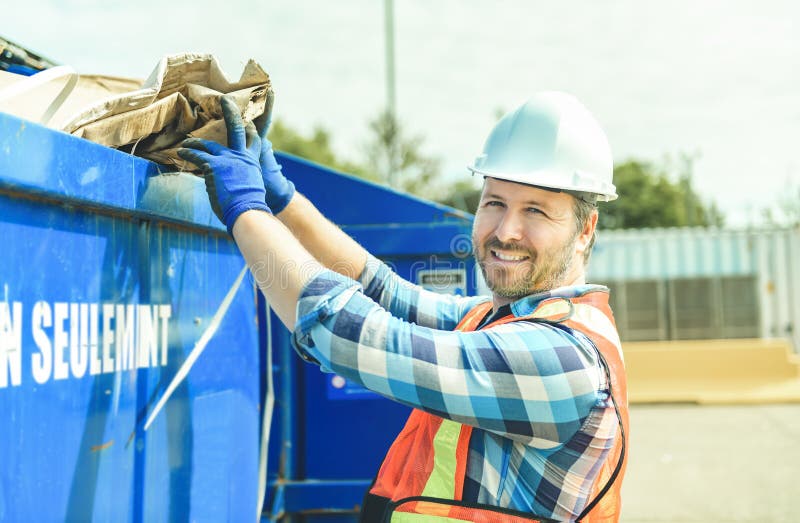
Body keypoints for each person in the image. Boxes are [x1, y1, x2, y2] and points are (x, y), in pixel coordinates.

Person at [178, 91, 629, 522]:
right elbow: (384, 290)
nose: (506, 231)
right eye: (495, 202)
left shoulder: (561, 361)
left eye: (536, 211)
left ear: (585, 229)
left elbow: (344, 334)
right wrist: (284, 201)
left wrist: (245, 209)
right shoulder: (498, 320)